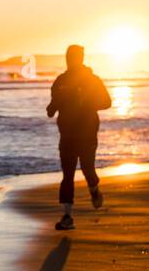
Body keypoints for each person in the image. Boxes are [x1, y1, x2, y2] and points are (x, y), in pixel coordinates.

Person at [46, 44, 112, 230]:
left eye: (74, 56)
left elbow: (107, 102)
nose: (71, 60)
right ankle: (67, 216)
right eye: (69, 56)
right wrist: (54, 105)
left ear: (81, 58)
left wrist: (87, 102)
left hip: (87, 132)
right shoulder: (61, 81)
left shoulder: (93, 80)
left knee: (87, 169)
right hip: (67, 134)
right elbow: (51, 109)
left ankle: (94, 188)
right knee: (67, 175)